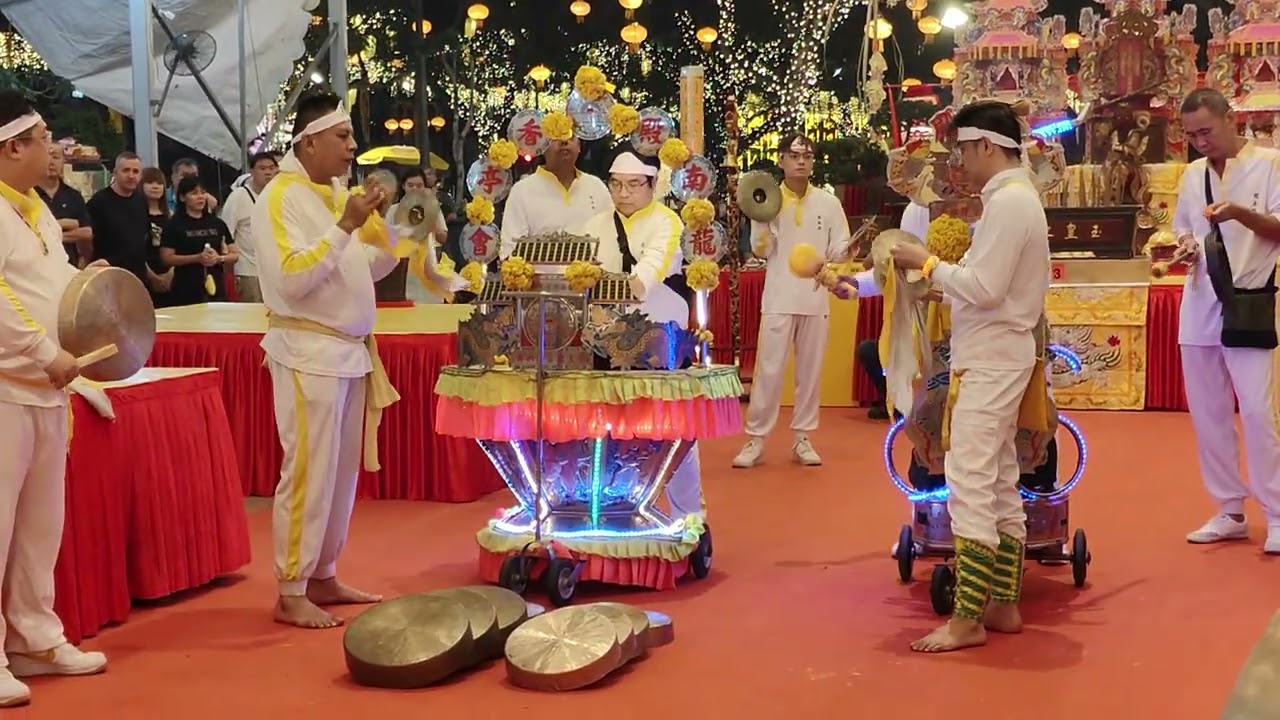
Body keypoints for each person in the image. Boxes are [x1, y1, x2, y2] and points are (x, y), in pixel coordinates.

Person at [888, 100, 1051, 654]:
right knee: (1000, 476)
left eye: (961, 148)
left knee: (972, 477)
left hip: (992, 359)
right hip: (996, 353)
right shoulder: (1010, 201)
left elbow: (985, 288)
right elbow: (983, 287)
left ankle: (968, 618)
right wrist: (936, 281)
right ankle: (1003, 604)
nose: (957, 160)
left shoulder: (1010, 204)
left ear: (985, 146)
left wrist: (929, 264)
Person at [251, 91, 401, 629]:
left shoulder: (334, 190)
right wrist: (344, 226)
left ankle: (323, 573)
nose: (352, 147)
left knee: (339, 476)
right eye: (342, 137)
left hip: (349, 354)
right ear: (308, 141)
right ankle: (291, 587)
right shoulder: (278, 197)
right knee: (309, 472)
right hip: (306, 350)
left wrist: (402, 233)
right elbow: (293, 277)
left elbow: (368, 268)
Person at [0, 91, 109, 707]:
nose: (52, 148)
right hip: (7, 387)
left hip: (45, 392)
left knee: (41, 527)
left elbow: (57, 284)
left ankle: (35, 639)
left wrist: (96, 298)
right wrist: (45, 352)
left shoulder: (37, 209)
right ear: (11, 145)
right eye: (42, 137)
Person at [1172, 88, 1280, 551]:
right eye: (1192, 135)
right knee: (1209, 412)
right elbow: (1183, 228)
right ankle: (1228, 509)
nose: (1200, 142)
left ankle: (1276, 513)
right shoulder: (1192, 175)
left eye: (1206, 131)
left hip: (1250, 299)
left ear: (1229, 119)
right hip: (1199, 300)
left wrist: (1240, 214)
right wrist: (1182, 246)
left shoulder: (1270, 163)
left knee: (1256, 410)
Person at [580, 149, 702, 518]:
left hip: (660, 336)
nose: (624, 193)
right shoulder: (594, 224)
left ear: (652, 185)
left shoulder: (668, 222)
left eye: (634, 185)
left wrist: (611, 283)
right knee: (605, 425)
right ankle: (613, 509)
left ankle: (689, 517)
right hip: (606, 337)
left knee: (673, 425)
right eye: (616, 184)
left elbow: (649, 274)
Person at [732, 133, 851, 468]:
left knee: (810, 373)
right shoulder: (767, 199)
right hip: (779, 298)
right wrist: (761, 221)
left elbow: (837, 247)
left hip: (815, 300)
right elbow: (761, 250)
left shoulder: (828, 203)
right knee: (768, 372)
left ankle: (802, 438)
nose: (801, 161)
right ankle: (755, 439)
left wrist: (850, 249)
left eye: (807, 155)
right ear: (781, 159)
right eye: (794, 154)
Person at [499, 135, 610, 257]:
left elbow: (611, 240)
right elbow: (510, 249)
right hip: (539, 275)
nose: (564, 142)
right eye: (555, 138)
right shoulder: (522, 190)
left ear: (579, 146)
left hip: (592, 274)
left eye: (570, 137)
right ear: (542, 147)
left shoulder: (596, 186)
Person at [160, 175, 238, 306]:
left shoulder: (217, 223)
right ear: (182, 197)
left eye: (203, 192)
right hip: (186, 288)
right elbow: (166, 258)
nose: (200, 197)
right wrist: (197, 258)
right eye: (194, 193)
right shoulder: (174, 225)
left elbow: (235, 254)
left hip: (216, 286)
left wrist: (219, 258)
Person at [88, 152, 158, 290]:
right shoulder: (98, 202)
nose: (131, 176)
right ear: (115, 172)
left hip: (137, 278)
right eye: (126, 170)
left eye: (135, 171)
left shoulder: (141, 201)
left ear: (140, 176)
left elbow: (140, 240)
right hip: (108, 277)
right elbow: (87, 241)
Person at [219, 151, 279, 303]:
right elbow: (225, 232)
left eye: (271, 168)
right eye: (262, 168)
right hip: (247, 270)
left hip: (273, 270)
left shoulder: (278, 195)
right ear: (252, 172)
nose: (268, 173)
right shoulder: (239, 196)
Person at [35, 144, 92, 267]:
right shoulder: (28, 194)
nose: (51, 162)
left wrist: (53, 236)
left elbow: (87, 232)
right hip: (37, 266)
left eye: (56, 157)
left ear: (63, 162)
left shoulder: (73, 196)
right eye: (47, 156)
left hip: (68, 265)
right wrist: (67, 224)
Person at [140, 167, 175, 307]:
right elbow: (135, 249)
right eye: (150, 182)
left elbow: (179, 248)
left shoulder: (170, 216)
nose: (155, 187)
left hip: (170, 276)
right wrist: (152, 276)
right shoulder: (136, 215)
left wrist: (170, 273)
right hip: (145, 275)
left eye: (159, 183)